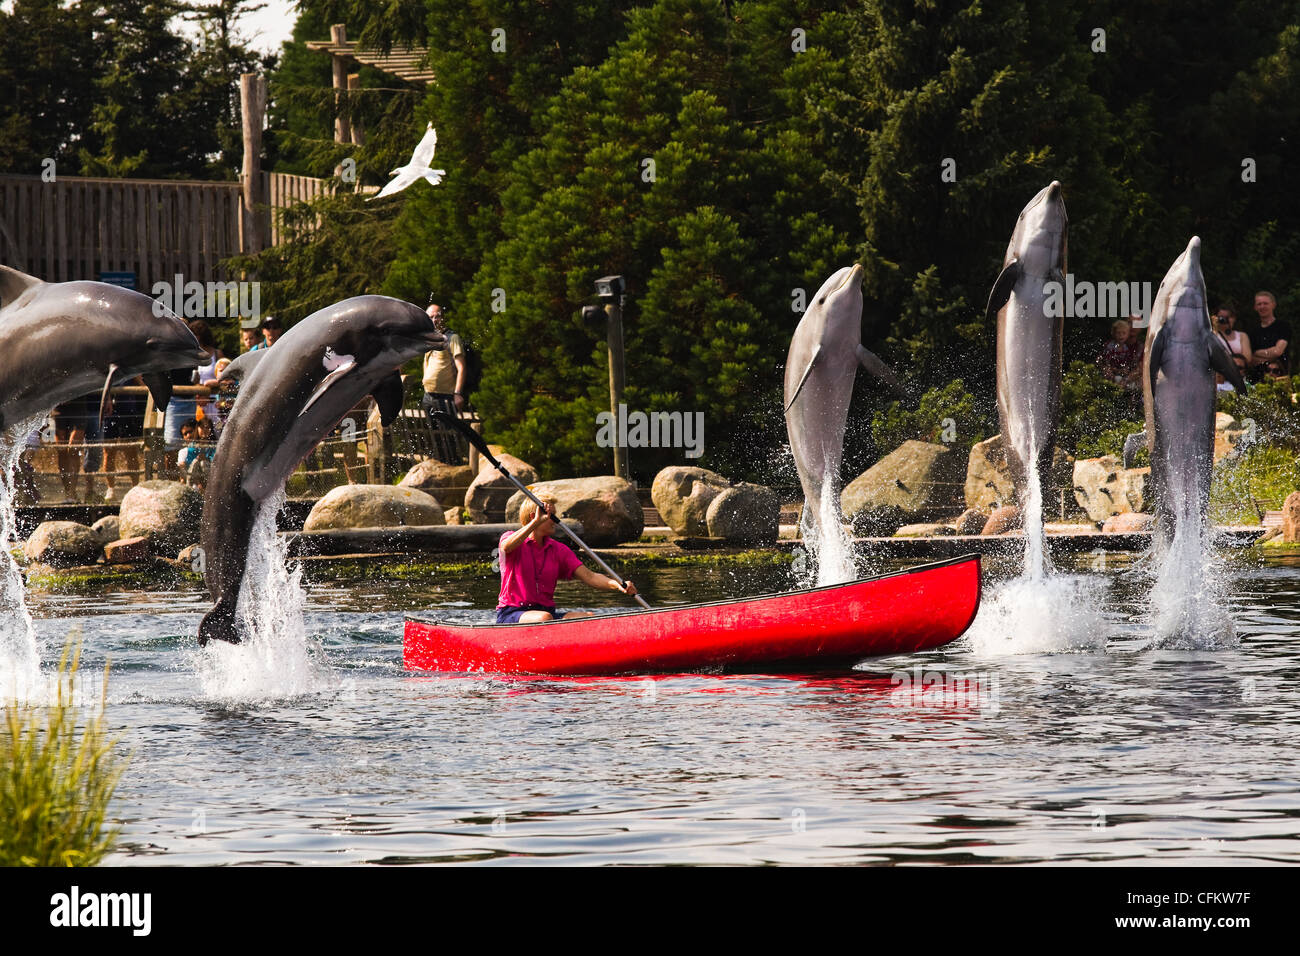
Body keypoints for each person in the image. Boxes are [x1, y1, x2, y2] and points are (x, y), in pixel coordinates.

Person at [496, 495, 637, 623]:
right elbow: (506, 548)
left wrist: (617, 584)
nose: (556, 521)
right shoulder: (510, 537)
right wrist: (535, 522)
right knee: (544, 618)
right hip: (512, 613)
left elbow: (590, 576)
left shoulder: (559, 550)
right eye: (552, 515)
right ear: (534, 516)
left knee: (588, 618)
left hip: (547, 614)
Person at [163, 320, 223, 456]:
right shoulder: (187, 352)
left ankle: (214, 465)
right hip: (196, 403)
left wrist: (214, 383)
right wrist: (198, 388)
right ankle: (187, 469)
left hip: (214, 403)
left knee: (218, 431)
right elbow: (192, 377)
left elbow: (225, 374)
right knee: (194, 436)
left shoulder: (216, 354)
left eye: (194, 334)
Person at [420, 298, 468, 464]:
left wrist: (457, 393)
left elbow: (461, 367)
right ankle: (438, 465)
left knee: (449, 435)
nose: (434, 320)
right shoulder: (430, 339)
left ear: (443, 318)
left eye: (437, 316)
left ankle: (454, 467)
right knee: (433, 435)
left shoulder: (452, 338)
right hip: (429, 395)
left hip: (446, 396)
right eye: (431, 317)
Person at [102, 374, 146, 501]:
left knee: (131, 451)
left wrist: (137, 377)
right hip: (110, 410)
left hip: (128, 408)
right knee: (108, 451)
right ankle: (111, 489)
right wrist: (107, 398)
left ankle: (135, 488)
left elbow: (143, 385)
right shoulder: (108, 359)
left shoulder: (132, 362)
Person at [51, 394, 102, 503]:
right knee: (62, 450)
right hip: (58, 406)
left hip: (79, 405)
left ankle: (72, 491)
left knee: (73, 449)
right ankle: (69, 493)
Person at [1248, 291, 1290, 379]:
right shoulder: (1252, 331)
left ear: (1273, 305)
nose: (1262, 307)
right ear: (1255, 307)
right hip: (1258, 379)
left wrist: (1258, 353)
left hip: (1280, 377)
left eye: (1265, 303)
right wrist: (1272, 354)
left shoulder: (1283, 326)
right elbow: (1251, 359)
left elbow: (1278, 351)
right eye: (1259, 304)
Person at [1097, 317, 1141, 392]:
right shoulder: (1110, 346)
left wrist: (1125, 369)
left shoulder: (1125, 348)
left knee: (1132, 385)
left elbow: (1127, 362)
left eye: (1124, 333)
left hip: (1120, 373)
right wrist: (1112, 370)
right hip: (1111, 372)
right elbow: (1105, 361)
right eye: (1118, 333)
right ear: (1113, 333)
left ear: (1128, 334)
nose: (1121, 336)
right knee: (1115, 380)